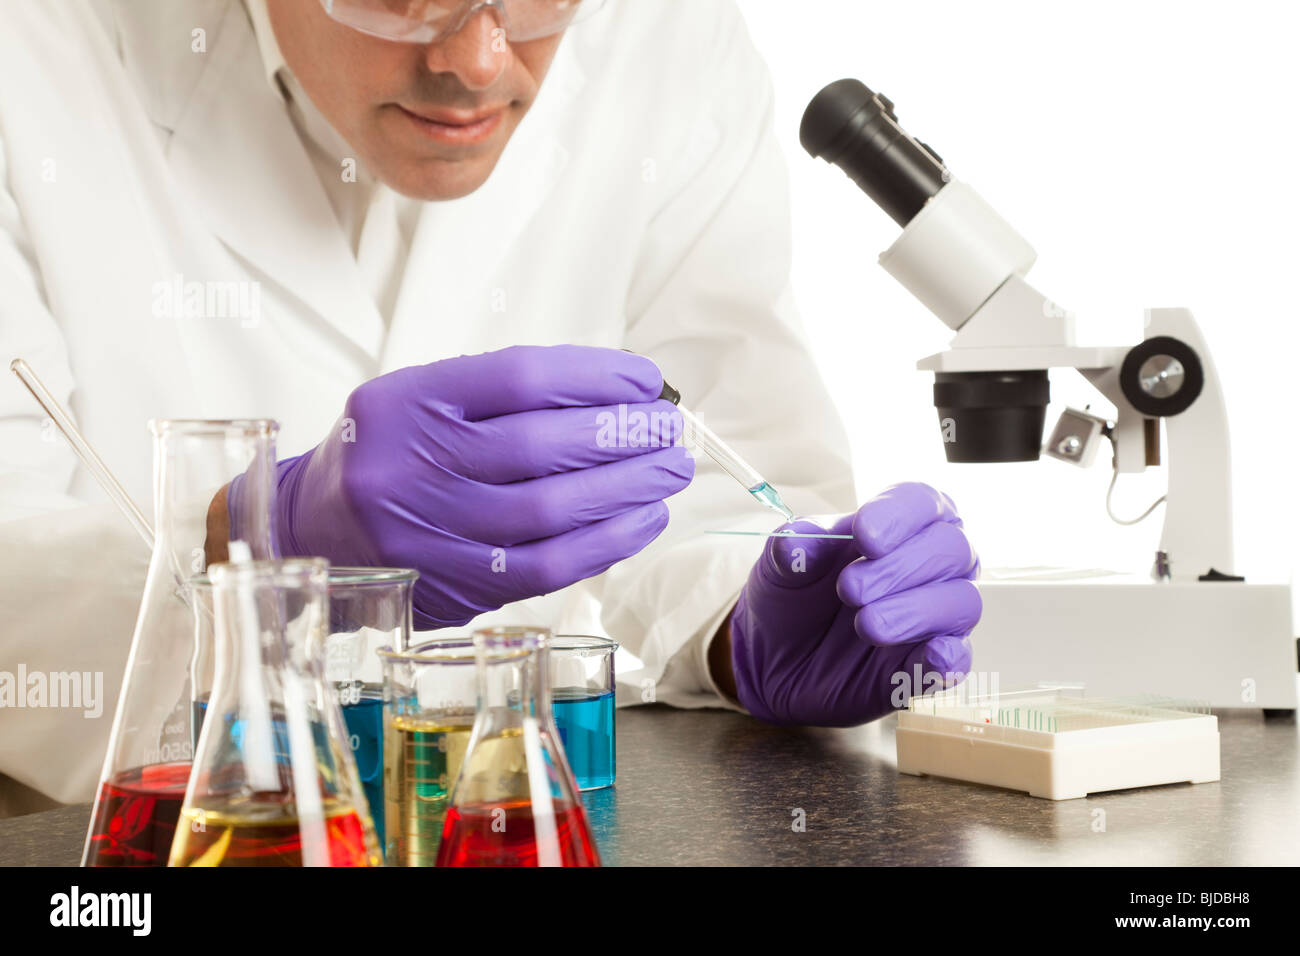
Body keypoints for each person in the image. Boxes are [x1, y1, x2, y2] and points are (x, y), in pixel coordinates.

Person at [0, 0, 980, 810]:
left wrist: (734, 628)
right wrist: (251, 544)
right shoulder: (35, 56)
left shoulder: (670, 43)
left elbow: (729, 497)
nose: (473, 60)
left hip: (524, 813)